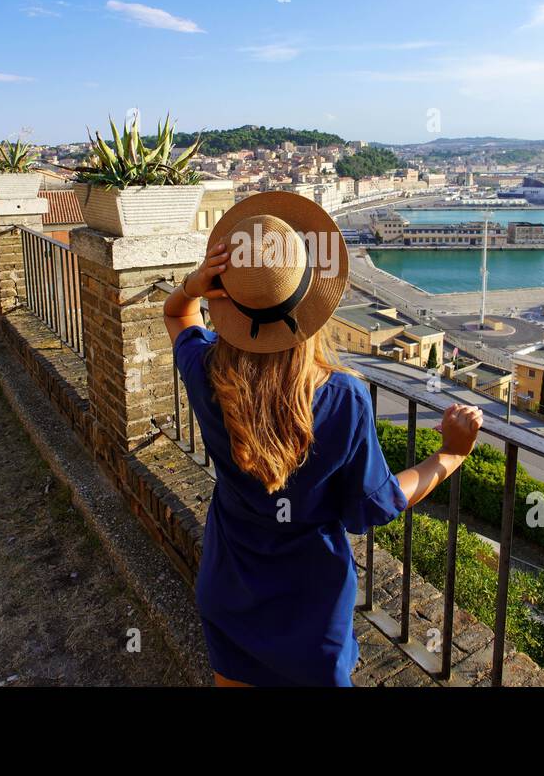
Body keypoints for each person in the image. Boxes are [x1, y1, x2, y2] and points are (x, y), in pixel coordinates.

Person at [162, 192, 483, 687]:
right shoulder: (342, 398)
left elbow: (176, 316)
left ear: (226, 300)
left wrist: (194, 286)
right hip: (311, 616)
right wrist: (451, 455)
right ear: (312, 305)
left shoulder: (207, 372)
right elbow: (373, 507)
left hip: (228, 589)